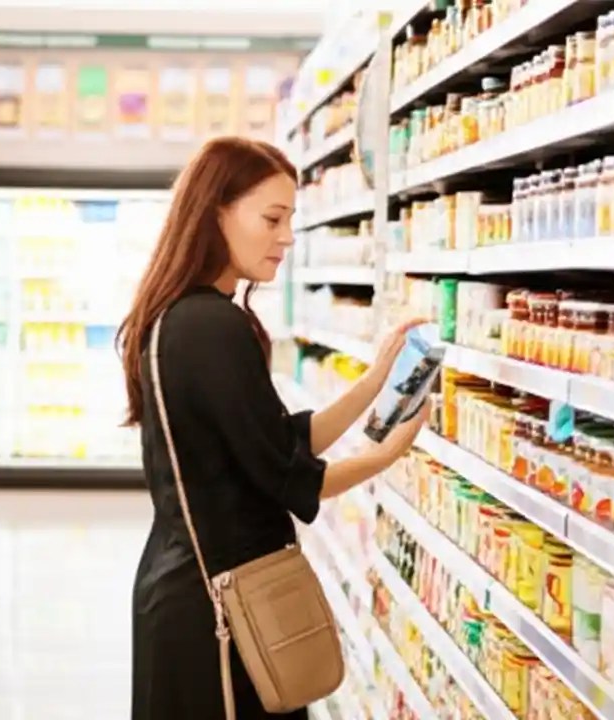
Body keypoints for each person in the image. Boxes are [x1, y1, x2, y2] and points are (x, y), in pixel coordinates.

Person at [117, 136, 430, 720]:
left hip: (190, 592)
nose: (287, 237)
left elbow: (276, 441)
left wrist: (377, 379)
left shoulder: (183, 317)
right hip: (221, 612)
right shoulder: (212, 326)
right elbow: (289, 477)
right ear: (216, 213)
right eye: (273, 218)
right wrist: (389, 454)